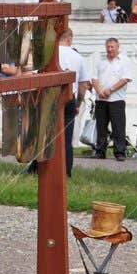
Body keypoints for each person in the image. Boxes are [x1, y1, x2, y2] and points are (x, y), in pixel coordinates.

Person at [90, 36, 131, 160]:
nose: (109, 49)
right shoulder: (101, 61)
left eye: (112, 47)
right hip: (101, 99)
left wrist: (110, 90)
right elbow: (94, 78)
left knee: (118, 127)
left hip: (116, 99)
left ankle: (119, 152)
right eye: (108, 47)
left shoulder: (124, 60)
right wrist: (99, 91)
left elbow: (125, 79)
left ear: (118, 48)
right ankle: (100, 151)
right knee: (101, 126)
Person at [56, 27, 90, 176]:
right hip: (70, 97)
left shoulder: (51, 53)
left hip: (51, 97)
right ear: (69, 39)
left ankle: (40, 168)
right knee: (66, 138)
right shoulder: (78, 57)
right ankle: (66, 171)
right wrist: (78, 104)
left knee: (47, 135)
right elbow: (83, 85)